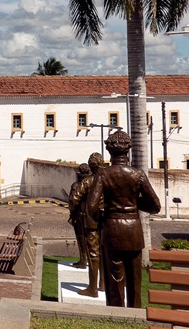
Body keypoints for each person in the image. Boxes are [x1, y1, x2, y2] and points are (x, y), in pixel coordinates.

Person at [86, 131, 161, 308]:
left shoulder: (103, 175)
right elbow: (155, 206)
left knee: (114, 279)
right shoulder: (138, 174)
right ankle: (135, 311)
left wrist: (101, 219)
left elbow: (91, 207)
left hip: (112, 229)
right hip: (133, 230)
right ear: (128, 150)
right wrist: (134, 203)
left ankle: (117, 312)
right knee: (135, 278)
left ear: (109, 151)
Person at [71, 152, 105, 297]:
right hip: (106, 220)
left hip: (91, 220)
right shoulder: (109, 179)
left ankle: (92, 288)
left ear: (91, 165)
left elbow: (74, 199)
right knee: (103, 251)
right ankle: (103, 284)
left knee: (93, 253)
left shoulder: (88, 181)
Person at [67, 162, 91, 268]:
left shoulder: (76, 185)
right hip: (92, 216)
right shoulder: (94, 184)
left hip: (80, 216)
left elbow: (72, 202)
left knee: (81, 238)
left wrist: (71, 213)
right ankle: (92, 262)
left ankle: (83, 260)